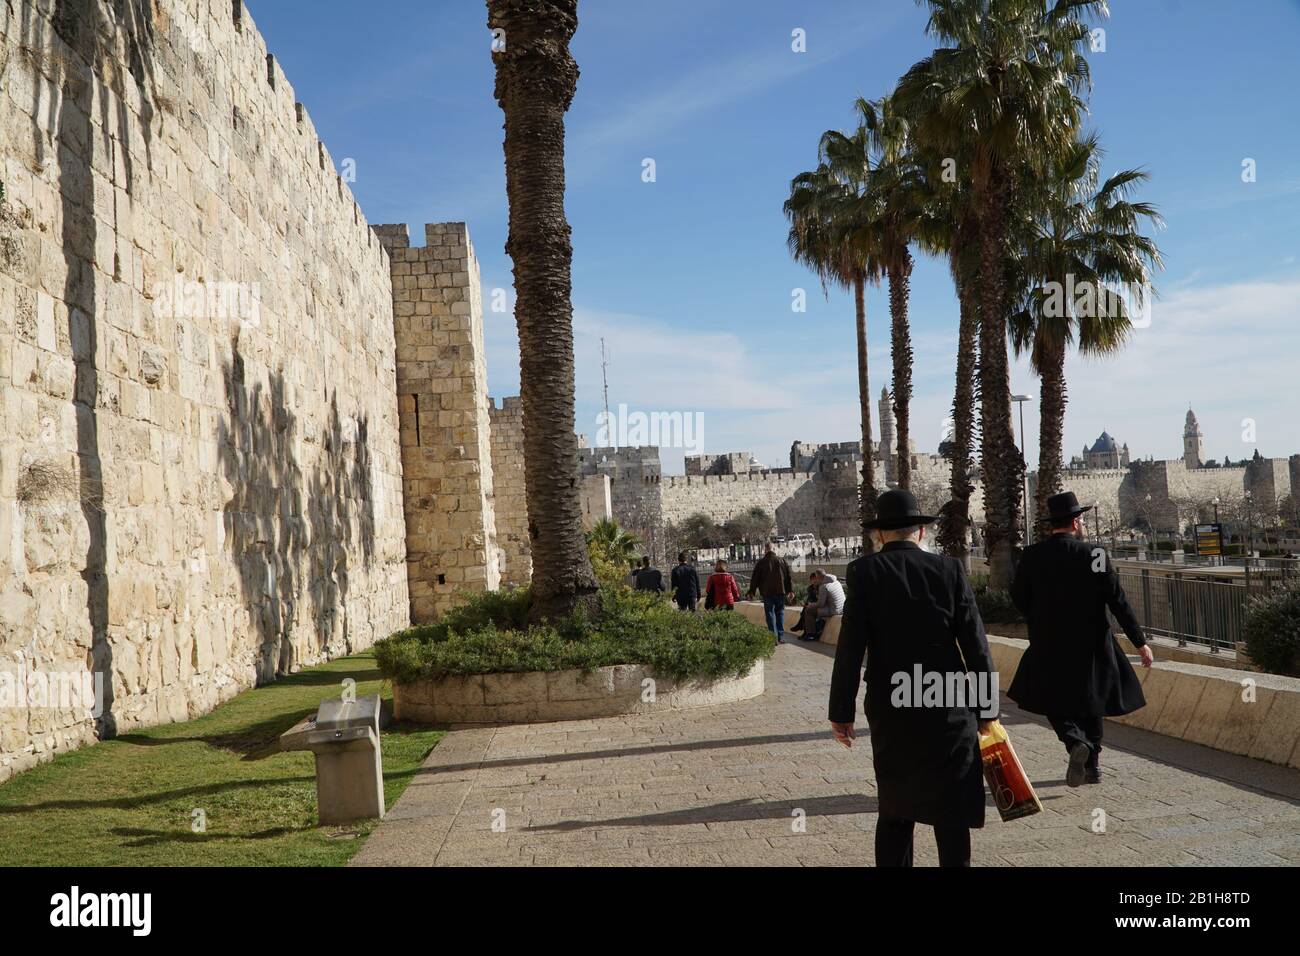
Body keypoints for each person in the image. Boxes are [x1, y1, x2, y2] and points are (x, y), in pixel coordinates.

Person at [829, 489, 997, 867]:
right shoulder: (950, 570)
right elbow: (976, 647)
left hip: (893, 707)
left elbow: (850, 649)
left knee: (895, 807)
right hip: (948, 704)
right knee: (951, 810)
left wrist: (841, 712)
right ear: (920, 533)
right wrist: (988, 711)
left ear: (879, 535)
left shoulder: (864, 573)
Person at [1008, 490, 1154, 786]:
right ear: (1076, 522)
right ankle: (1093, 768)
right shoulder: (1095, 555)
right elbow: (1117, 600)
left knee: (1049, 697)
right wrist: (1140, 641)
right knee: (1093, 702)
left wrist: (1040, 616)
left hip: (1049, 641)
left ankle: (1074, 739)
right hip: (1092, 643)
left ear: (1053, 523)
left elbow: (1019, 598)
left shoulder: (1033, 556)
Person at [746, 541, 794, 643]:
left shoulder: (761, 563)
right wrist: (790, 590)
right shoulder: (782, 561)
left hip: (767, 593)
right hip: (780, 591)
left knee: (770, 614)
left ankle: (773, 637)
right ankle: (780, 636)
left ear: (765, 550)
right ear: (774, 549)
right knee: (780, 613)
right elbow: (788, 577)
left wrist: (751, 592)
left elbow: (755, 579)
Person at [798, 568, 845, 642]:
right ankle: (811, 630)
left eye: (816, 578)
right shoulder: (836, 581)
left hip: (833, 610)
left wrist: (811, 605)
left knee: (808, 611)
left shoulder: (824, 586)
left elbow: (820, 604)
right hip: (841, 608)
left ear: (818, 577)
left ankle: (811, 635)